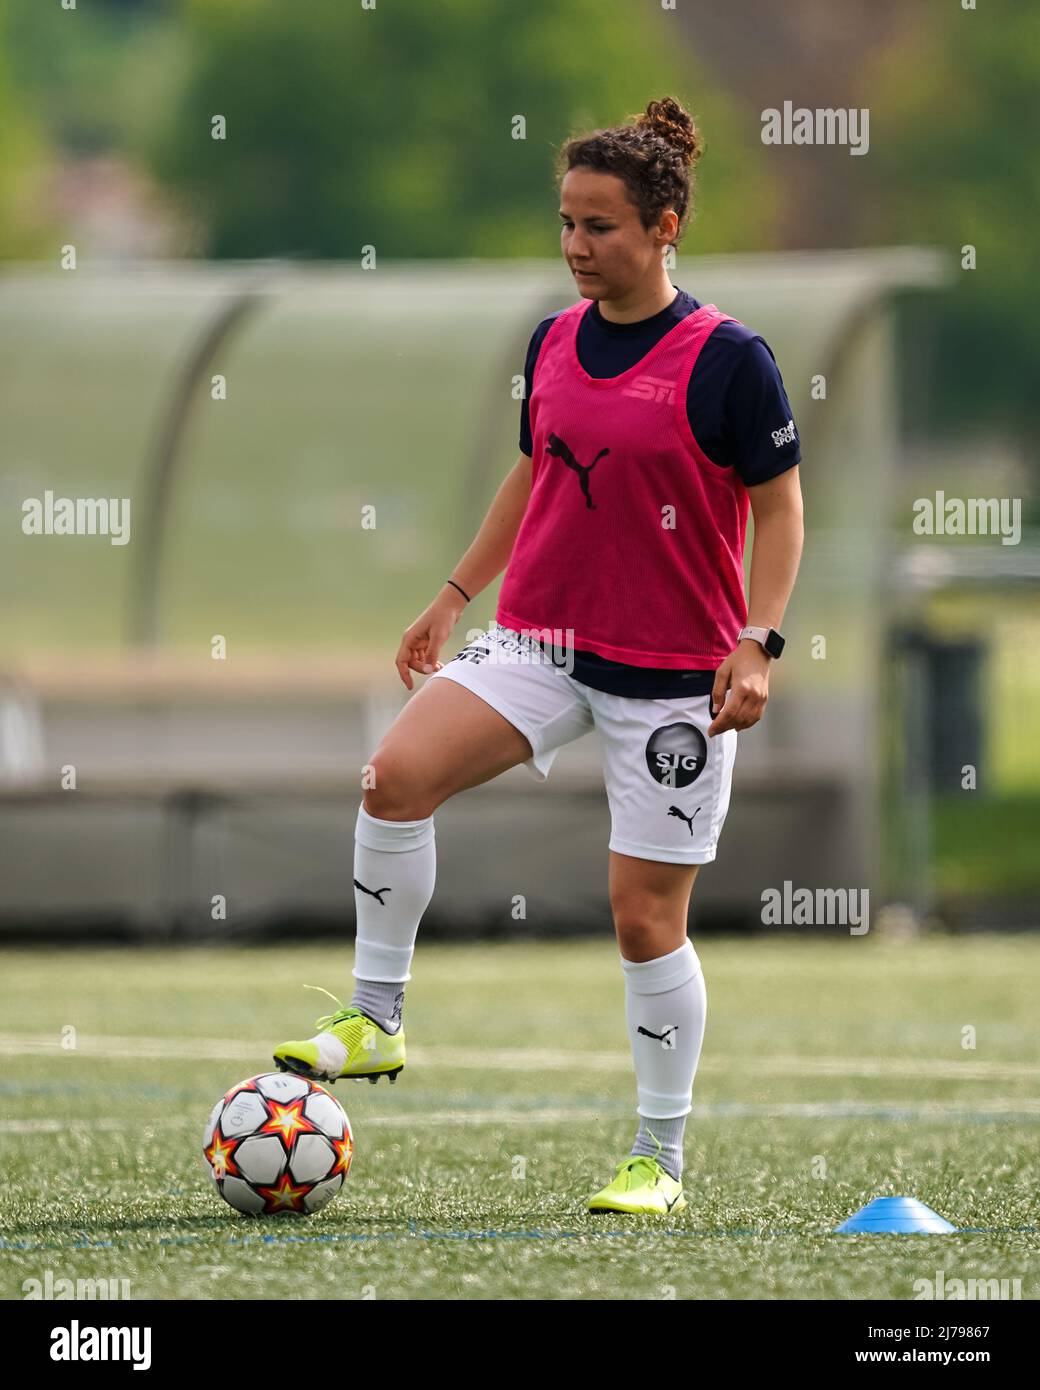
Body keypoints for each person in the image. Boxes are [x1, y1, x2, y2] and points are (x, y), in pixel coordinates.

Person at [274, 95, 804, 1216]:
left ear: (664, 227)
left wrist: (755, 643)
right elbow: (536, 470)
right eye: (565, 223)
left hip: (669, 677)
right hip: (543, 640)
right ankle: (375, 1018)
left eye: (599, 226)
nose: (574, 247)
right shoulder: (552, 339)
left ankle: (657, 1156)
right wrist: (454, 594)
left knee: (642, 918)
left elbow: (780, 507)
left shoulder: (729, 361)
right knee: (394, 775)